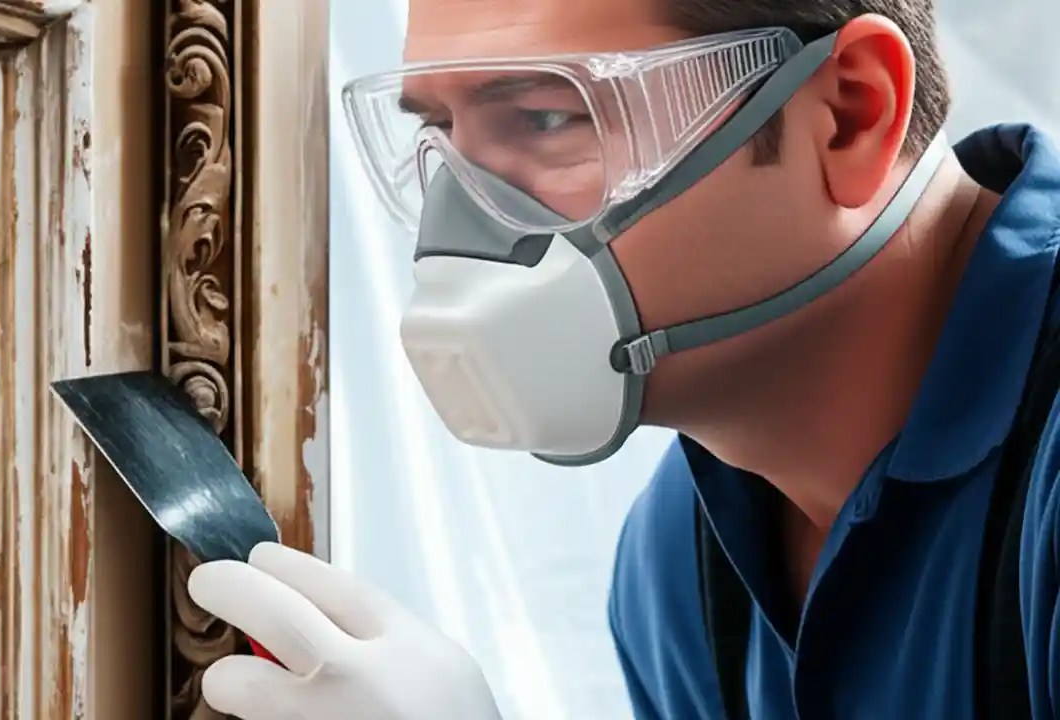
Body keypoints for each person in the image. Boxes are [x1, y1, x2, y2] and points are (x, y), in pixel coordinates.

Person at [187, 0, 1060, 717]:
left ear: (849, 115)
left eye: (545, 117)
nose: (458, 219)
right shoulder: (682, 555)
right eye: (440, 133)